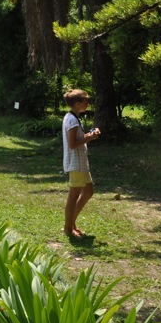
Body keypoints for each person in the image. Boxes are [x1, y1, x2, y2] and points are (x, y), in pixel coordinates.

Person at [62, 88, 101, 239]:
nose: (87, 104)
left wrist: (89, 135)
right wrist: (90, 137)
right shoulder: (71, 120)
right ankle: (68, 228)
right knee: (74, 195)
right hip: (75, 163)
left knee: (88, 192)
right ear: (77, 104)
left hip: (81, 163)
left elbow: (78, 139)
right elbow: (72, 144)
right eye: (85, 101)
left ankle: (71, 223)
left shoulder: (74, 117)